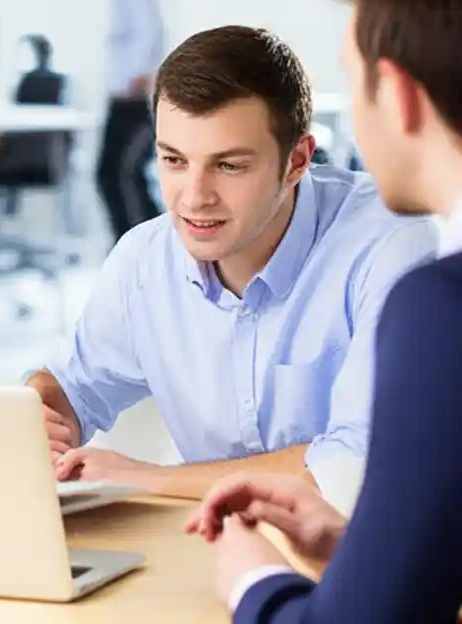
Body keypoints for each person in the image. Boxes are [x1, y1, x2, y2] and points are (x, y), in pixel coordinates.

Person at [26, 25, 438, 499]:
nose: (195, 198)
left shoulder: (392, 248)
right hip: (221, 548)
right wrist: (40, 415)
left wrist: (142, 478)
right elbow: (71, 385)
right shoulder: (144, 260)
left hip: (362, 553)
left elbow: (358, 466)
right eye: (174, 161)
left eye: (229, 166)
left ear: (297, 160)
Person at [187, 0, 462, 622]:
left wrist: (256, 581)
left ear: (396, 95)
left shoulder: (440, 304)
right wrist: (366, 550)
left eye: (353, 82)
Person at [71, 0, 166, 242]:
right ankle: (149, 250)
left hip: (134, 90)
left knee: (114, 173)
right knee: (127, 173)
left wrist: (140, 74)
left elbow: (150, 25)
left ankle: (142, 250)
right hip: (125, 87)